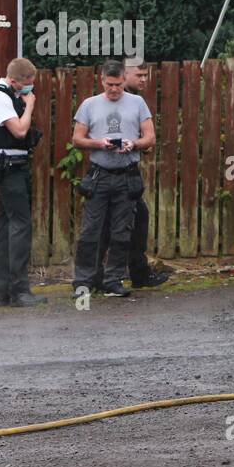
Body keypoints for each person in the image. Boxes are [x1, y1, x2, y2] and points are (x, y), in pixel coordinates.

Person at [71, 61, 155, 297]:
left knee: (122, 231)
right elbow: (77, 139)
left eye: (118, 85)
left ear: (123, 81)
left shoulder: (138, 103)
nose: (114, 89)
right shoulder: (89, 105)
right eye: (110, 85)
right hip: (99, 174)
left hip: (127, 175)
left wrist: (133, 144)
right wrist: (99, 143)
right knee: (90, 231)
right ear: (102, 80)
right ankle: (84, 282)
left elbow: (150, 138)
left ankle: (113, 280)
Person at [87, 62, 168, 291]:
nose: (144, 79)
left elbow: (146, 137)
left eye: (146, 75)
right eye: (139, 75)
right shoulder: (110, 101)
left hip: (127, 170)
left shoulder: (135, 102)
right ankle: (121, 275)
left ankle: (123, 274)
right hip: (108, 172)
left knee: (134, 220)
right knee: (115, 225)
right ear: (125, 74)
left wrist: (138, 144)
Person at [0, 57, 46, 307]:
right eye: (26, 84)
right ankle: (19, 291)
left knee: (4, 226)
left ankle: (2, 291)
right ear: (13, 80)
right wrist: (29, 106)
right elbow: (19, 131)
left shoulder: (9, 95)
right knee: (20, 225)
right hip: (8, 168)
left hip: (14, 165)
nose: (29, 89)